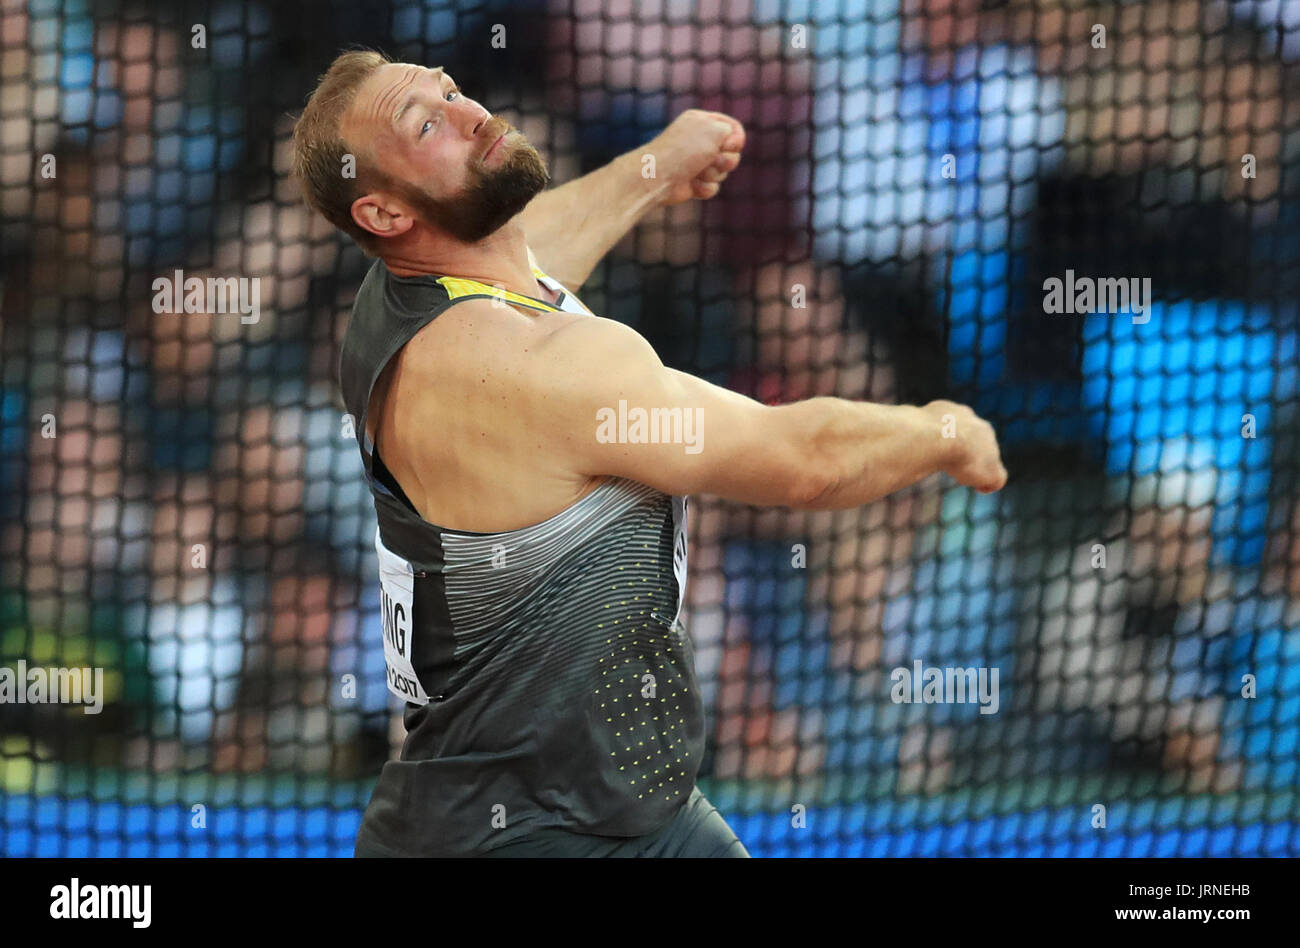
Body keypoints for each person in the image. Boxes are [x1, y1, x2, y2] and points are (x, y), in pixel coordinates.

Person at [291, 49, 1008, 857]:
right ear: (385, 214)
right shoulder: (542, 370)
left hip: (622, 804)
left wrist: (658, 167)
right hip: (524, 834)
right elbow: (801, 459)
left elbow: (529, 257)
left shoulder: (399, 297)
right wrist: (943, 429)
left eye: (451, 91)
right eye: (428, 125)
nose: (470, 115)